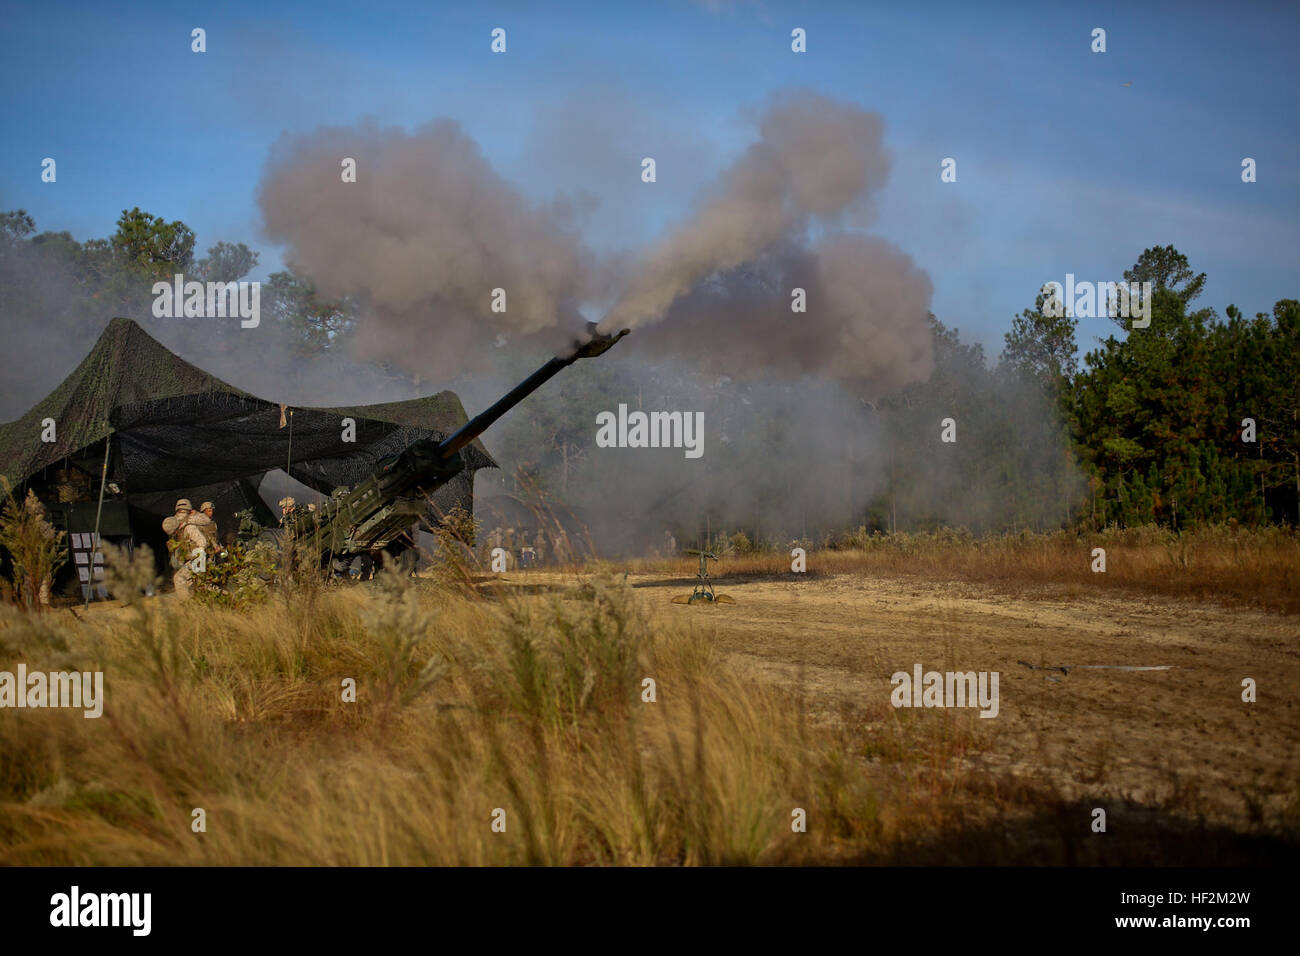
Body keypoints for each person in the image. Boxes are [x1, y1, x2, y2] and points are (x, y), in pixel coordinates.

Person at [162, 499, 212, 600]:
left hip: (199, 558)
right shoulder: (181, 521)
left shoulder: (189, 527)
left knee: (179, 578)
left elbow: (202, 543)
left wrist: (196, 564)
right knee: (194, 584)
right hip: (193, 559)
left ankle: (187, 603)